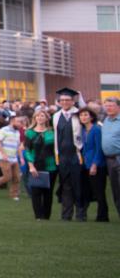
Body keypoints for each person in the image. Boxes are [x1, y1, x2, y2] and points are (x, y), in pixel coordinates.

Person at [52, 88, 83, 221]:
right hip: (62, 156)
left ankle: (81, 214)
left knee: (79, 185)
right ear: (59, 102)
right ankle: (66, 214)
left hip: (77, 155)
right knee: (65, 186)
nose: (65, 102)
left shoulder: (79, 114)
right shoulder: (56, 116)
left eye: (67, 100)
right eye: (62, 100)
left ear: (73, 101)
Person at [23, 109, 57, 220]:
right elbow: (27, 150)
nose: (40, 118)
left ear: (47, 118)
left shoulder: (52, 132)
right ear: (34, 118)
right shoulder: (30, 132)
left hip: (50, 165)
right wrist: (31, 166)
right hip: (35, 165)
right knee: (36, 191)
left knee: (48, 192)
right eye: (37, 116)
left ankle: (46, 216)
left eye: (42, 116)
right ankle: (38, 216)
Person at [78, 107, 107, 222]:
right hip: (86, 163)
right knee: (90, 190)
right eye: (81, 115)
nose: (83, 117)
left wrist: (95, 164)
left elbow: (99, 149)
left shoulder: (96, 130)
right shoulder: (83, 130)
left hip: (97, 165)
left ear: (91, 117)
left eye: (85, 115)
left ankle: (103, 216)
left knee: (99, 191)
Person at [0, 115, 24, 200]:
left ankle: (14, 195)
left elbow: (18, 146)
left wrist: (21, 158)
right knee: (7, 177)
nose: (21, 124)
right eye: (19, 122)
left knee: (16, 177)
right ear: (12, 121)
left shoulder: (17, 132)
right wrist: (3, 154)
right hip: (4, 158)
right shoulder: (4, 130)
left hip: (14, 158)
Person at [101, 97, 120, 217]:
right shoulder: (106, 120)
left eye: (111, 105)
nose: (108, 108)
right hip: (109, 160)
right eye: (106, 105)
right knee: (115, 190)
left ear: (118, 107)